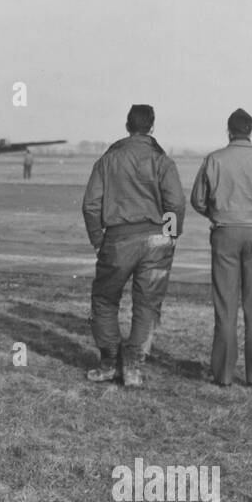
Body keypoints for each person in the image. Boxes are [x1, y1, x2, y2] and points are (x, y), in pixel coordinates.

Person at [81, 104, 185, 388]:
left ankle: (108, 363)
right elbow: (175, 203)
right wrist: (171, 235)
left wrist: (97, 239)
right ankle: (134, 368)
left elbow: (91, 204)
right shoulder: (163, 161)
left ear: (127, 126)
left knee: (104, 300)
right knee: (148, 304)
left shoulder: (108, 159)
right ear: (152, 127)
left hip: (117, 240)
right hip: (157, 240)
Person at [189, 108, 252, 387]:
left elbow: (197, 200)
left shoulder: (214, 159)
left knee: (225, 305)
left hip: (224, 233)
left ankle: (223, 374)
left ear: (229, 130)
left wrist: (218, 214)